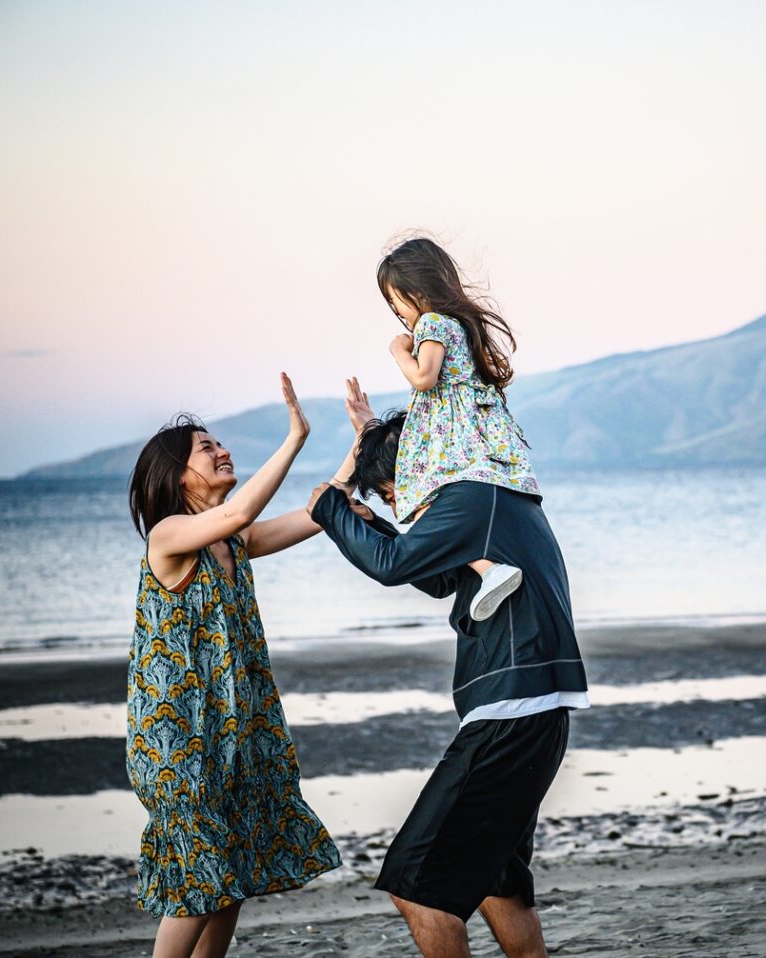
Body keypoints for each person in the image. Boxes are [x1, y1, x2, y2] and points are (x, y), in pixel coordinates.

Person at [305, 379, 589, 958]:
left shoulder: (469, 498)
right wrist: (370, 508)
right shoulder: (492, 497)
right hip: (535, 707)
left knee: (419, 885)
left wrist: (332, 507)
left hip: (511, 710)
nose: (394, 505)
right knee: (495, 877)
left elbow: (391, 566)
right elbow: (434, 578)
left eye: (388, 493)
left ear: (413, 467)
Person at [125, 373, 341, 958]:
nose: (222, 451)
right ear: (177, 476)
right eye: (206, 448)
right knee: (198, 883)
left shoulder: (234, 542)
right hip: (180, 744)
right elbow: (244, 507)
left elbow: (317, 514)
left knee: (230, 880)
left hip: (237, 732)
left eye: (219, 443)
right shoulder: (170, 536)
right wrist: (295, 436)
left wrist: (360, 450)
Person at [377, 236, 540, 620]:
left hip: (451, 442)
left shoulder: (433, 323)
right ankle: (489, 569)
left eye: (395, 298)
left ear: (415, 290)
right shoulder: (459, 326)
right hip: (473, 438)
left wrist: (398, 351)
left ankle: (489, 569)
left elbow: (424, 378)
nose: (396, 310)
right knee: (432, 510)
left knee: (420, 506)